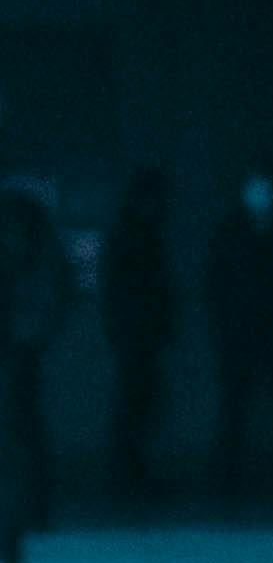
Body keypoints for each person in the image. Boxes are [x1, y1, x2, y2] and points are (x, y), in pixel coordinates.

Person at [208, 172, 273, 493]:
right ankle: (229, 474)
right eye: (256, 189)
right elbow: (216, 284)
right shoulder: (232, 231)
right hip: (243, 331)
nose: (262, 195)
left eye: (268, 189)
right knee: (237, 404)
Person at [0, 176, 70, 563]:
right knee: (21, 434)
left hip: (16, 348)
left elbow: (47, 295)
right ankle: (27, 518)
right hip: (20, 347)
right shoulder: (32, 238)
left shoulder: (27, 240)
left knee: (18, 435)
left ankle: (23, 520)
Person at [101, 165, 178, 503]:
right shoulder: (136, 236)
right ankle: (127, 475)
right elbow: (134, 290)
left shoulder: (138, 234)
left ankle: (128, 473)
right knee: (136, 404)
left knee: (138, 404)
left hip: (139, 335)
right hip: (138, 335)